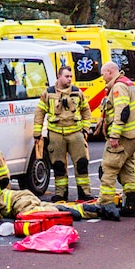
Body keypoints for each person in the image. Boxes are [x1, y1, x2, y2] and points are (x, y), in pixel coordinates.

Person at [34, 65, 93, 201]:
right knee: (58, 165)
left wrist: (85, 129)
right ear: (59, 76)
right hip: (56, 134)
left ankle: (84, 192)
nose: (69, 79)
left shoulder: (77, 92)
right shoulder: (48, 93)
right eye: (67, 76)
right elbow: (39, 112)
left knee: (82, 163)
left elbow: (86, 111)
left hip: (75, 133)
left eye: (71, 76)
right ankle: (61, 193)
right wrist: (37, 133)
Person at [98, 62, 135, 216]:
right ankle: (131, 205)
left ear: (110, 72)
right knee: (128, 171)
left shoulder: (118, 87)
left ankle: (105, 204)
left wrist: (114, 135)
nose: (102, 77)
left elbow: (122, 111)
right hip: (131, 137)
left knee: (108, 168)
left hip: (122, 137)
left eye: (103, 74)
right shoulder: (129, 84)